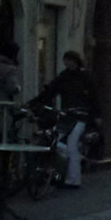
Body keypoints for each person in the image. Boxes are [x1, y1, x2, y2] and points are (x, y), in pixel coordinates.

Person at [31, 51, 100, 187]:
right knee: (55, 141)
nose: (67, 63)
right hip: (66, 115)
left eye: (69, 60)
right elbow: (50, 91)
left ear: (75, 61)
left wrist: (97, 115)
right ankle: (64, 169)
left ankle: (73, 180)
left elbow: (95, 97)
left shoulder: (86, 77)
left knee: (72, 144)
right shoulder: (64, 76)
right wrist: (34, 103)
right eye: (65, 61)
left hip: (81, 116)